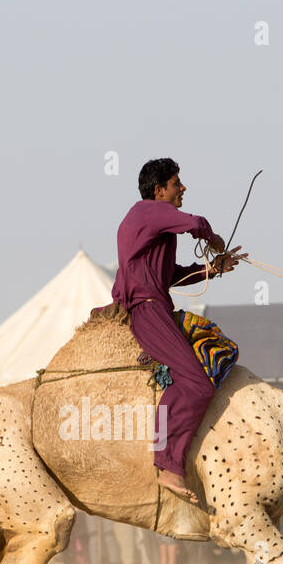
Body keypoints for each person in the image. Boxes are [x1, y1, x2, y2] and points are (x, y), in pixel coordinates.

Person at [110, 157, 243, 504]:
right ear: (159, 190)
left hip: (157, 307)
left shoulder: (152, 225)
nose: (183, 188)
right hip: (148, 311)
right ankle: (168, 464)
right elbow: (196, 223)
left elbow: (169, 277)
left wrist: (211, 269)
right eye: (176, 184)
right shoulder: (147, 212)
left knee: (218, 352)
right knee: (198, 385)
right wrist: (213, 239)